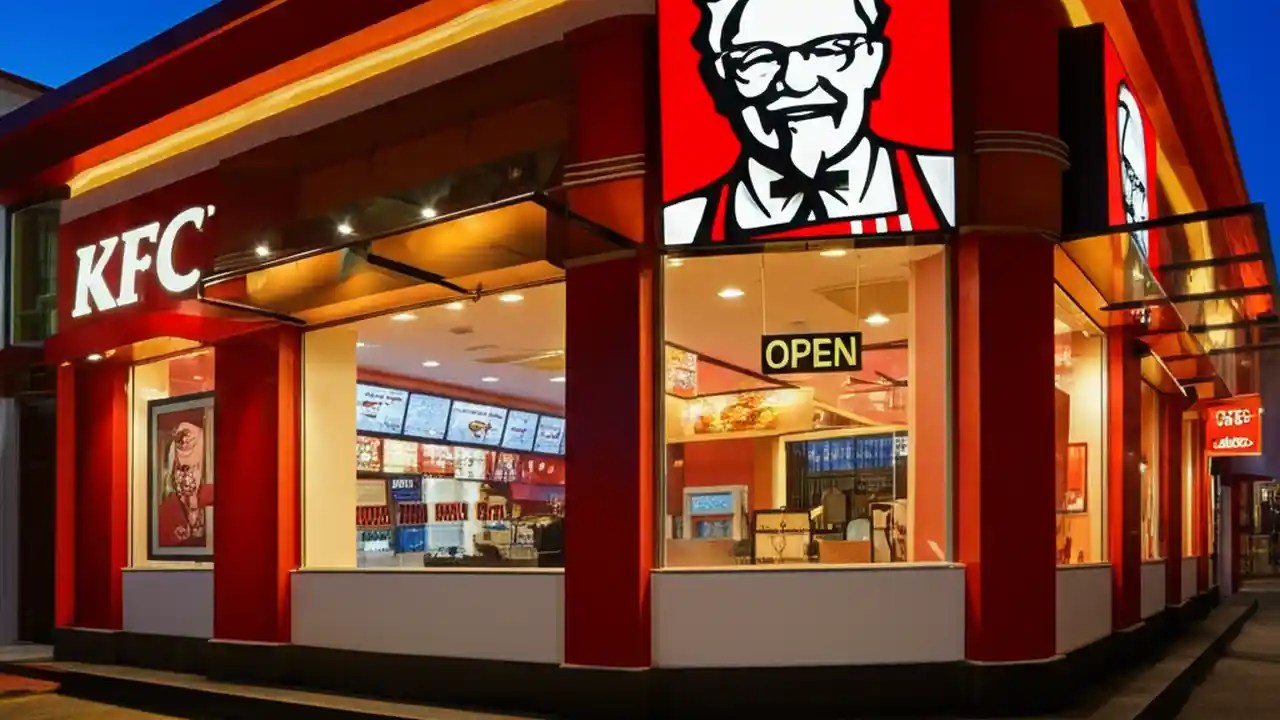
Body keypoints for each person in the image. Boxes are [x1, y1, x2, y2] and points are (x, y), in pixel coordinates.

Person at [664, 0, 955, 245]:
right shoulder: (684, 225)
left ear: (873, 61)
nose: (797, 81)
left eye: (830, 50)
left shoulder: (943, 187)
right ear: (722, 79)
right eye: (759, 58)